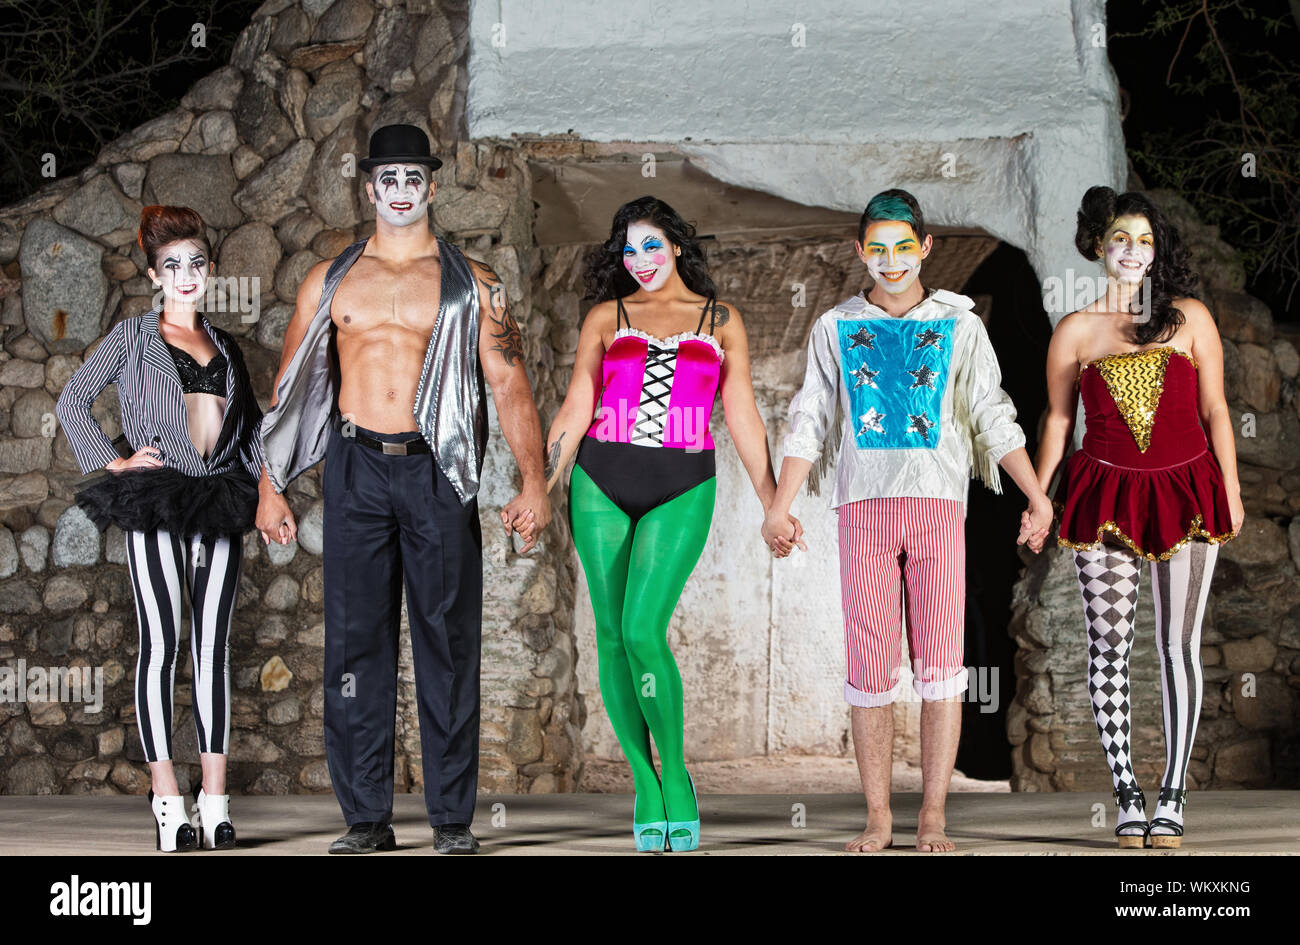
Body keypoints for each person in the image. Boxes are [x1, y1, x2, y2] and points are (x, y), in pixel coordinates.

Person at [255, 124, 550, 856]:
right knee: (356, 646)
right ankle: (366, 818)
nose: (399, 190)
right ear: (369, 188)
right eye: (386, 177)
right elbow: (288, 389)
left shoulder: (473, 283)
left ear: (431, 187)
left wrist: (535, 480)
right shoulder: (329, 280)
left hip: (436, 468)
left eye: (411, 177)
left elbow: (509, 383)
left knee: (447, 640)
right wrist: (271, 483)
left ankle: (451, 819)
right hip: (355, 467)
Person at [763, 189, 1053, 852]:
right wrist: (780, 505)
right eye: (876, 247)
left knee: (942, 667)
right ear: (861, 251)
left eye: (902, 246)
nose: (890, 259)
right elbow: (809, 418)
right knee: (869, 667)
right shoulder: (836, 327)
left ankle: (932, 813)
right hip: (863, 508)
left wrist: (1036, 495)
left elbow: (993, 415)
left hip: (938, 509)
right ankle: (877, 815)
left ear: (924, 247)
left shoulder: (960, 326)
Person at [543, 196, 793, 852]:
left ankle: (676, 772)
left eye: (652, 245)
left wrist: (773, 504)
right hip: (600, 478)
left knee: (642, 628)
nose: (641, 260)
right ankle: (643, 781)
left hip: (682, 482)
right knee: (611, 637)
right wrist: (536, 486)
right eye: (629, 249)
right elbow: (576, 406)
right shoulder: (606, 316)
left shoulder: (721, 320)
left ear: (677, 246)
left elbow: (742, 415)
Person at [1027, 186, 1241, 849]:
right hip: (1104, 494)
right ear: (1098, 245)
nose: (1133, 251)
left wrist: (1230, 486)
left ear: (1157, 250)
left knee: (1178, 644)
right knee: (1108, 647)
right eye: (1121, 238)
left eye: (1145, 240)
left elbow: (1216, 411)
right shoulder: (1075, 331)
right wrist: (1039, 496)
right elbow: (1060, 420)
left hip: (1186, 490)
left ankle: (1172, 792)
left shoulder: (1191, 319)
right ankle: (1127, 790)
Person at [57, 205, 264, 852]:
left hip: (221, 497)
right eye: (171, 264)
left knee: (212, 649)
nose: (185, 274)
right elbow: (72, 400)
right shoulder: (131, 337)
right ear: (154, 273)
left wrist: (269, 491)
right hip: (156, 498)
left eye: (196, 262)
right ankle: (169, 802)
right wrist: (113, 459)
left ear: (210, 270)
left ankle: (216, 803)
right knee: (162, 644)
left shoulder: (227, 347)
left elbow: (250, 431)